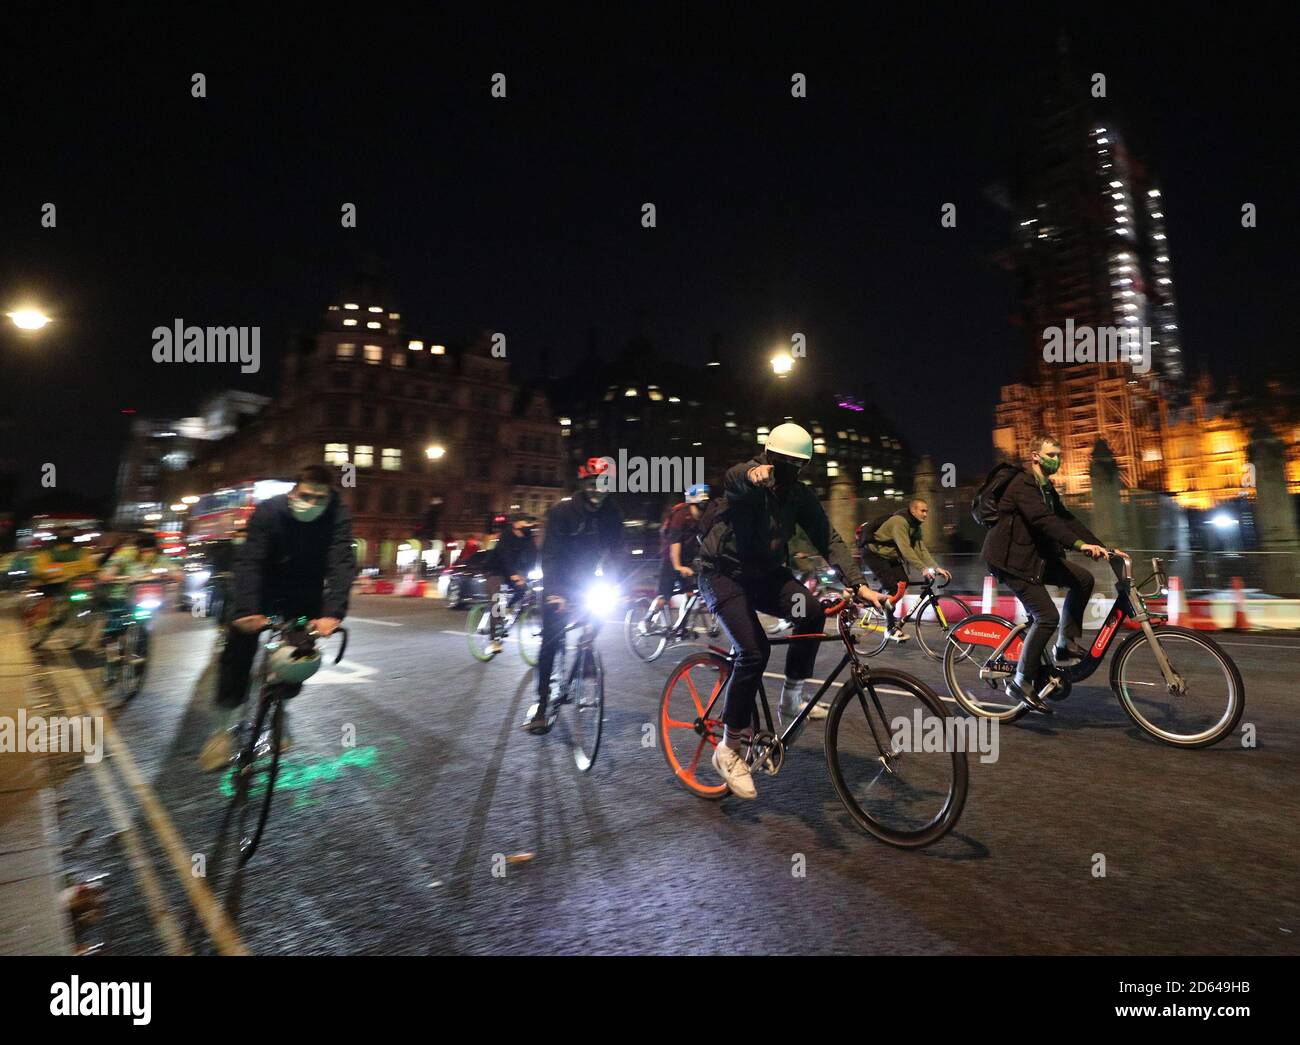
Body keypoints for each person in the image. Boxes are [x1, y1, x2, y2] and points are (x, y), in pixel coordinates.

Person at [695, 422, 886, 799]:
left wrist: (858, 583)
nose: (794, 472)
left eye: (801, 466)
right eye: (788, 464)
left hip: (764, 575)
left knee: (812, 611)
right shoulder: (751, 477)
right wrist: (754, 475)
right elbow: (734, 479)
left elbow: (828, 537)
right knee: (754, 651)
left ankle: (791, 699)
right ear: (771, 457)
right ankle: (728, 749)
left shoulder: (797, 494)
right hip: (722, 574)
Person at [199, 465, 356, 769]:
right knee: (238, 650)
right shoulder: (268, 512)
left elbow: (341, 561)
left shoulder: (338, 513)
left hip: (304, 590)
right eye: (305, 496)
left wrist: (332, 614)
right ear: (293, 491)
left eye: (319, 499)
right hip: (264, 585)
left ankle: (281, 709)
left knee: (300, 655)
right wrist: (246, 610)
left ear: (330, 497)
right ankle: (220, 731)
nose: (311, 504)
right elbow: (250, 561)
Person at [980, 434, 1116, 713]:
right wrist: (1079, 546)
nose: (1057, 460)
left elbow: (1065, 519)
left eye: (1058, 454)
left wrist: (1102, 547)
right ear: (1035, 457)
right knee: (1046, 617)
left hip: (1034, 558)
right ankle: (1020, 681)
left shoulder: (1046, 488)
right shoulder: (1023, 484)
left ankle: (1065, 644)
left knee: (1083, 579)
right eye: (1051, 455)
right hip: (1010, 561)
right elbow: (1043, 521)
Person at [524, 462, 623, 734]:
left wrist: (619, 585)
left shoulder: (612, 513)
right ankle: (541, 705)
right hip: (559, 579)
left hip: (588, 579)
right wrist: (554, 592)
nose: (597, 489)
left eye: (603, 483)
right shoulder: (562, 511)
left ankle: (586, 643)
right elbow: (551, 554)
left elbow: (616, 553)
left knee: (601, 610)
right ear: (582, 485)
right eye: (591, 483)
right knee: (551, 640)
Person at [856, 498, 950, 643]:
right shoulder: (899, 522)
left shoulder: (916, 527)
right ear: (913, 510)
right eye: (922, 511)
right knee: (893, 588)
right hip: (873, 554)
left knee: (903, 582)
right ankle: (890, 628)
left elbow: (920, 549)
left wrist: (936, 567)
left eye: (927, 511)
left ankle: (884, 604)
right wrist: (923, 568)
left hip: (889, 555)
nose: (926, 514)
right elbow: (905, 548)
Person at [641, 483, 710, 632]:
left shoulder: (701, 518)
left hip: (686, 560)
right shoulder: (681, 515)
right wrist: (678, 566)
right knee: (664, 596)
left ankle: (681, 627)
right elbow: (675, 542)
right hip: (670, 560)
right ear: (692, 501)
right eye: (700, 501)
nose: (703, 504)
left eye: (705, 500)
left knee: (691, 594)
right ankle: (646, 621)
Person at [485, 512, 538, 654]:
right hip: (496, 570)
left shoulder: (527, 537)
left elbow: (533, 556)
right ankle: (494, 641)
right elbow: (505, 556)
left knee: (523, 590)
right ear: (515, 523)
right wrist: (514, 575)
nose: (528, 525)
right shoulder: (506, 535)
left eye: (529, 523)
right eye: (525, 522)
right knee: (497, 600)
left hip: (512, 570)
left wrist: (527, 574)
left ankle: (507, 609)